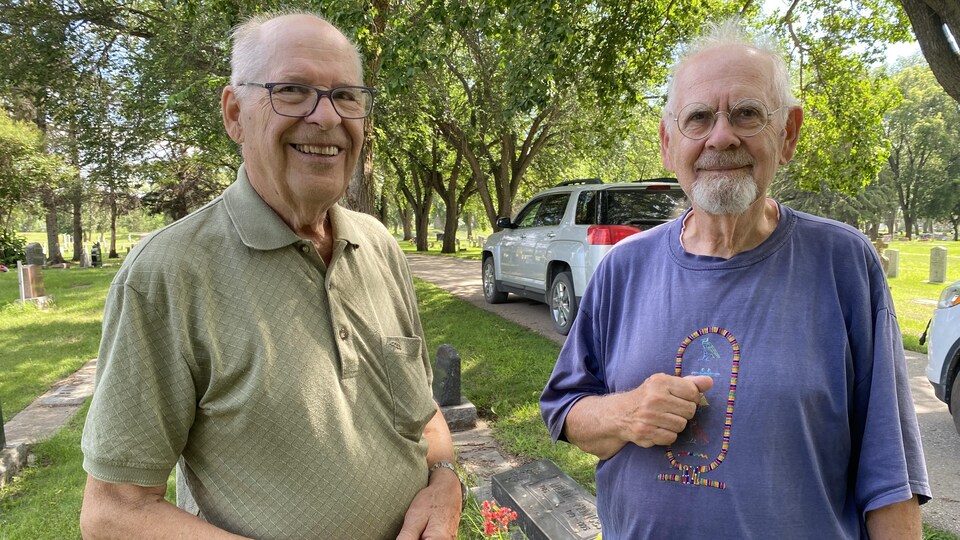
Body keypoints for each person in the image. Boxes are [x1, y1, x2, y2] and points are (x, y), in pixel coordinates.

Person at [539, 19, 931, 539]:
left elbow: (891, 477)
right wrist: (627, 413)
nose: (721, 136)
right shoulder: (623, 269)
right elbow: (566, 412)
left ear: (787, 133)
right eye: (698, 118)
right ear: (667, 143)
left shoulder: (843, 264)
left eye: (747, 113)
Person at [80, 12, 463, 539]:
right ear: (235, 113)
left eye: (346, 96)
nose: (326, 117)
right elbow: (113, 513)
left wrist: (444, 480)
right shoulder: (167, 273)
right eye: (292, 90)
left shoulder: (379, 247)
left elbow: (423, 416)